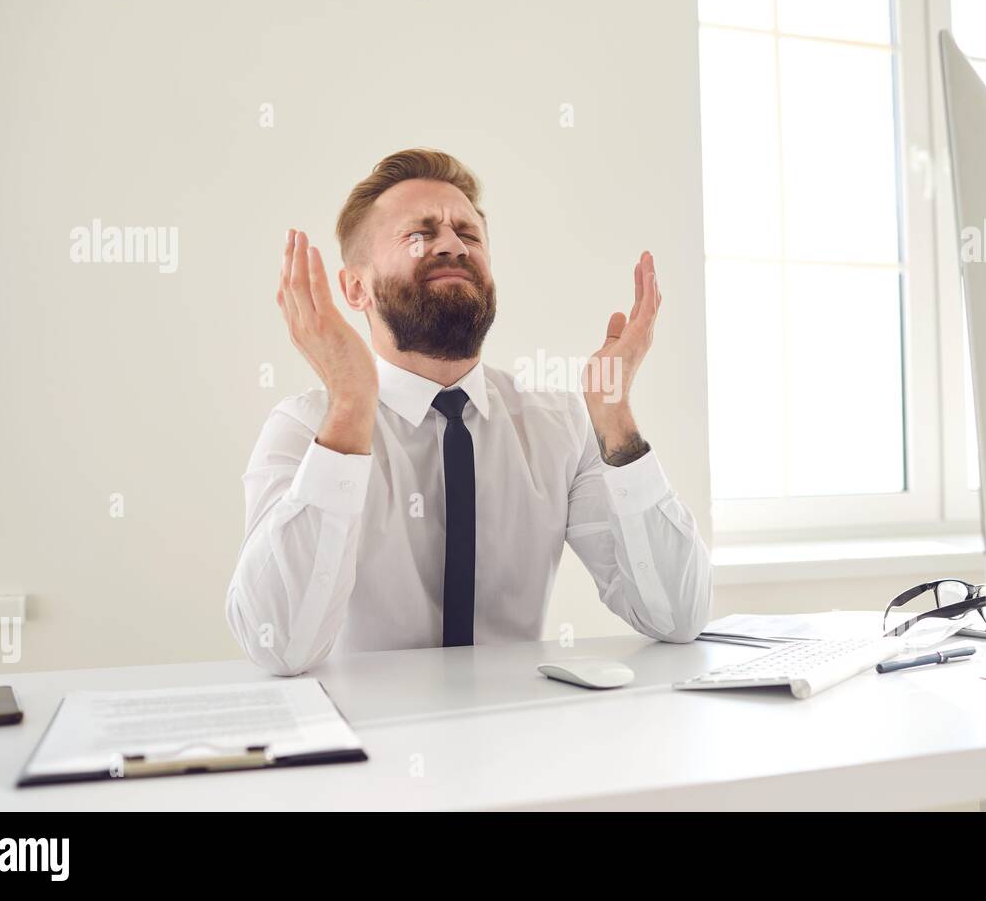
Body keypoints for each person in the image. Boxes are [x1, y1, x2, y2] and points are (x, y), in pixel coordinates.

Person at [226, 148, 711, 675]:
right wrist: (349, 403)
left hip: (515, 741)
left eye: (469, 234)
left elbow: (677, 616)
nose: (452, 245)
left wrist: (614, 416)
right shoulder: (303, 431)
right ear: (355, 287)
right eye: (420, 233)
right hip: (365, 745)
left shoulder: (561, 427)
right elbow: (278, 647)